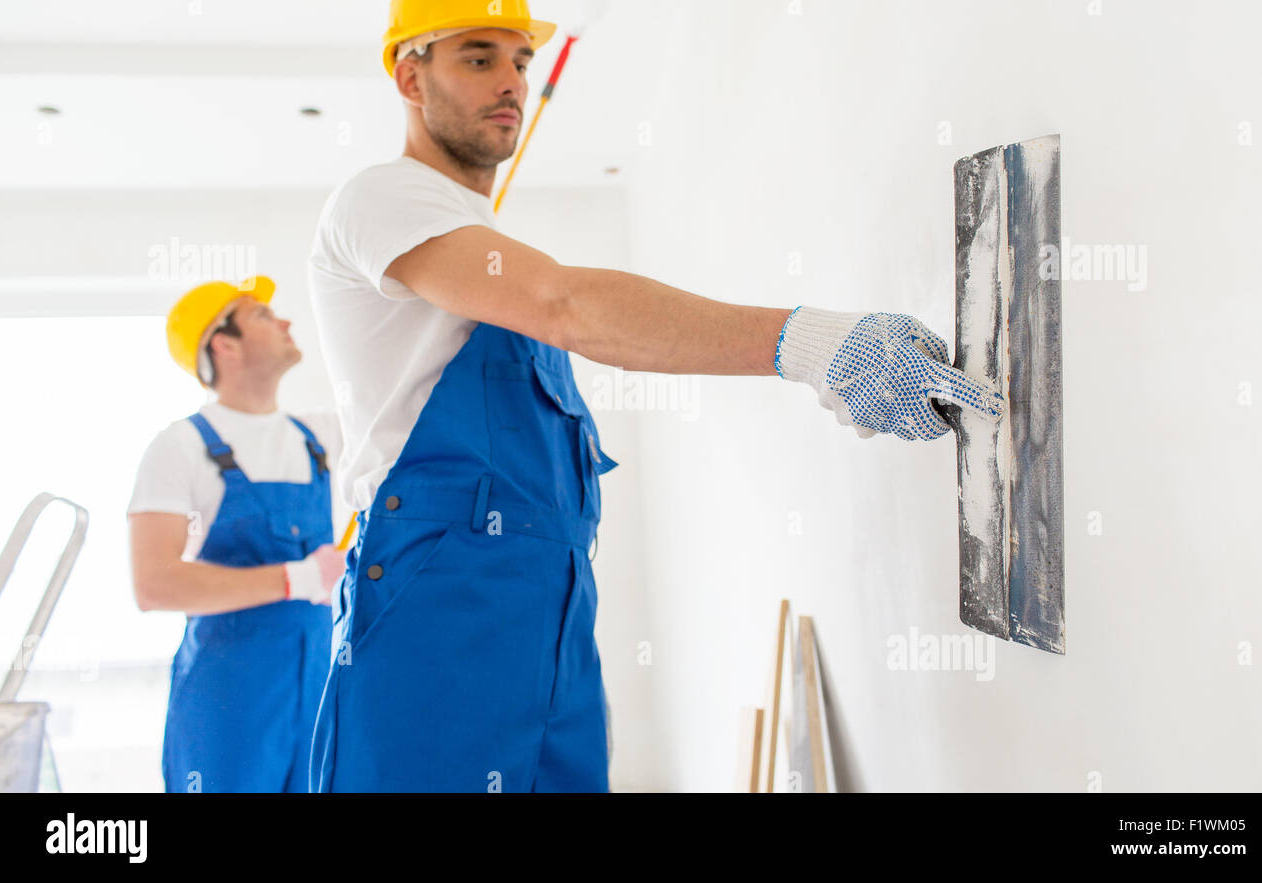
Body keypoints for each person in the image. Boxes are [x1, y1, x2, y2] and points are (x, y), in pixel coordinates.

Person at [307, 0, 1003, 793]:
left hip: (551, 612)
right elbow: (566, 305)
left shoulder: (481, 247)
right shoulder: (382, 198)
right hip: (434, 612)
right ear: (409, 73)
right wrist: (815, 345)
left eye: (521, 61)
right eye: (478, 57)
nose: (511, 81)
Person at [127, 276, 347, 792]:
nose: (287, 321)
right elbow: (154, 583)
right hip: (228, 705)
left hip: (315, 691)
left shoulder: (322, 438)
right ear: (223, 344)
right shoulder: (180, 446)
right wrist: (295, 577)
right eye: (264, 316)